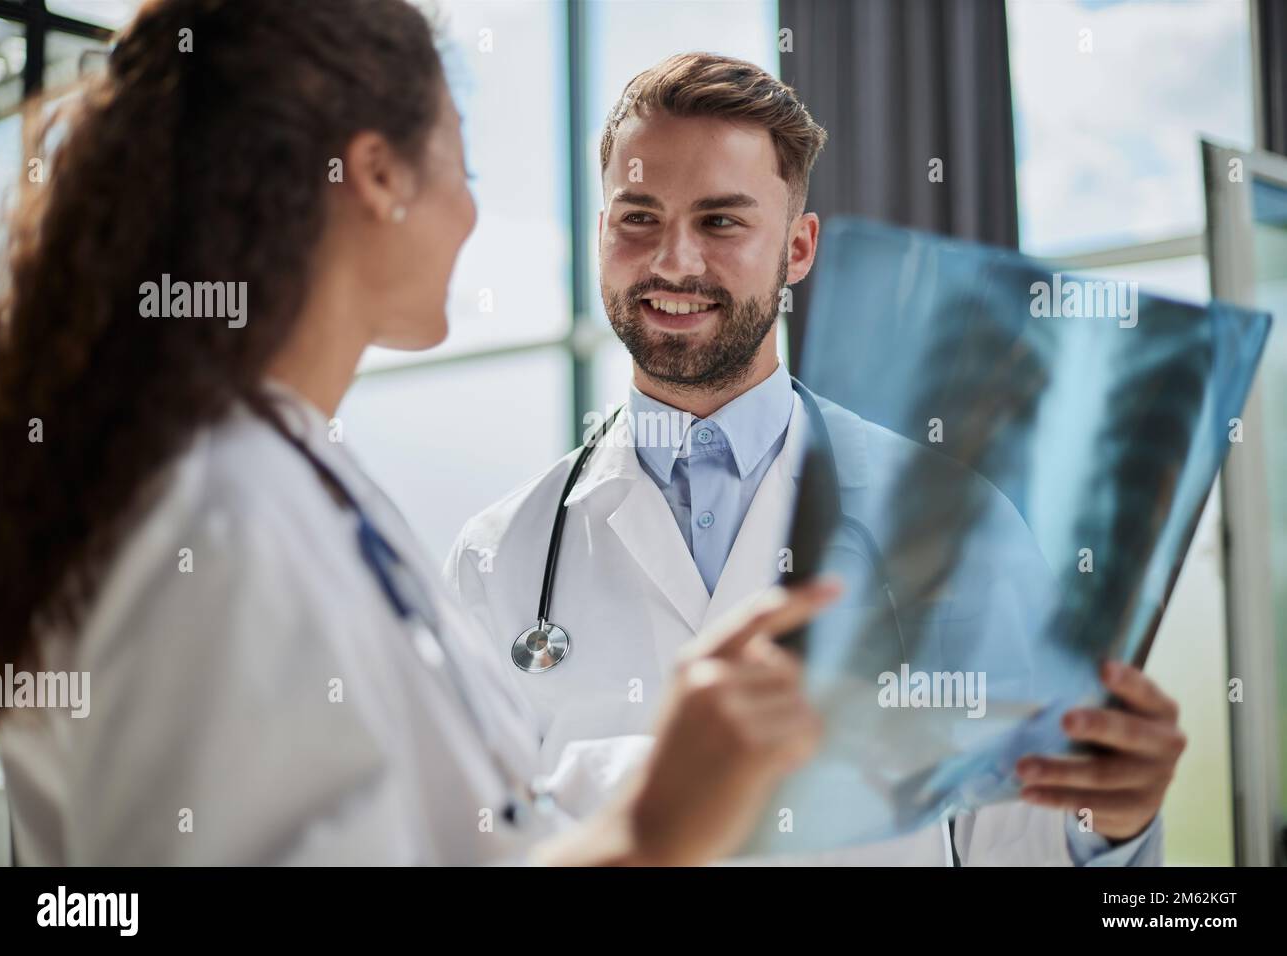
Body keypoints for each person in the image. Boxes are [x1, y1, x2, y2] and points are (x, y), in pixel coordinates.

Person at [0, 0, 839, 866]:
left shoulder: (293, 480)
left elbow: (476, 823)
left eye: (722, 220)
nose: (472, 212)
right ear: (378, 176)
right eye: (460, 161)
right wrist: (650, 834)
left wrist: (677, 771)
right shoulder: (217, 514)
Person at [444, 54, 1186, 864]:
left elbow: (1023, 844)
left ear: (798, 250)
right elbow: (465, 844)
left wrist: (1114, 822)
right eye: (638, 217)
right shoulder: (500, 555)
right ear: (600, 234)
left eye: (721, 221)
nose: (674, 263)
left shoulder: (955, 521)